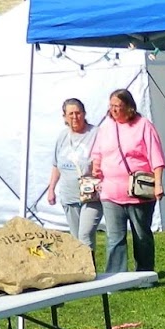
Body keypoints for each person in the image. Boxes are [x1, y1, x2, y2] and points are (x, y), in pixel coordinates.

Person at [89, 88, 165, 274]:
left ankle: (145, 274)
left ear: (129, 106)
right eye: (111, 106)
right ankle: (116, 276)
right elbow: (97, 153)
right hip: (110, 192)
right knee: (114, 238)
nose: (114, 110)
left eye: (118, 106)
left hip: (138, 193)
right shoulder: (106, 127)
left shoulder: (143, 125)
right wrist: (96, 168)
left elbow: (156, 156)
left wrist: (158, 184)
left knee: (141, 236)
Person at [45, 98, 101, 256]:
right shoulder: (62, 136)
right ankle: (83, 268)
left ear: (84, 114)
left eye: (78, 113)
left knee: (85, 235)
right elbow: (56, 165)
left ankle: (89, 266)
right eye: (70, 114)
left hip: (91, 195)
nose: (75, 117)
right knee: (76, 239)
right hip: (69, 195)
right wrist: (51, 189)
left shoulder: (96, 133)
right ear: (64, 117)